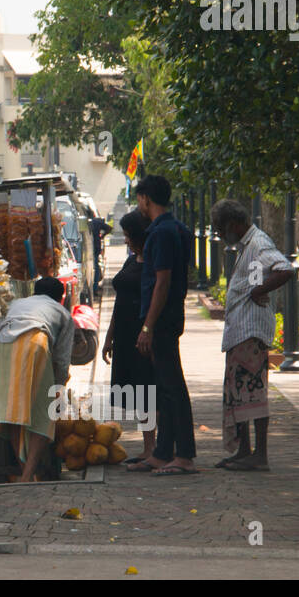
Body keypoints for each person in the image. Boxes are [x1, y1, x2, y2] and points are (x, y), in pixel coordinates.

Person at [210, 199, 295, 471]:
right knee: (238, 392)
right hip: (240, 332)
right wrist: (255, 288)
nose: (221, 236)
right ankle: (245, 450)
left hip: (250, 332)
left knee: (253, 392)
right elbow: (259, 276)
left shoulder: (258, 243)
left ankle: (260, 455)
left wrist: (258, 292)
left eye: (221, 230)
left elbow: (284, 269)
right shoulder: (248, 246)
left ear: (234, 224)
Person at [130, 174, 197, 476]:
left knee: (172, 387)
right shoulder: (176, 228)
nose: (139, 205)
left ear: (146, 198)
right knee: (165, 387)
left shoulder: (163, 233)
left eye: (139, 199)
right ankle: (162, 452)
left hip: (163, 320)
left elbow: (163, 281)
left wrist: (148, 326)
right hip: (168, 317)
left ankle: (183, 454)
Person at [0, 276, 73, 482]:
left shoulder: (18, 303)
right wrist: (58, 387)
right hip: (35, 342)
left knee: (11, 411)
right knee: (42, 414)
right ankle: (28, 476)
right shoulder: (63, 313)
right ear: (60, 297)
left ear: (34, 292)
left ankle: (26, 472)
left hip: (4, 344)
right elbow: (63, 359)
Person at [102, 209, 157, 461]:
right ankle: (149, 447)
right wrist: (109, 337)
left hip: (142, 334)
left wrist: (147, 330)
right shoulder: (130, 261)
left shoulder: (155, 265)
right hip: (124, 334)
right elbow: (119, 302)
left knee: (149, 390)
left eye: (127, 235)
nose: (125, 240)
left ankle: (154, 447)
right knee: (138, 392)